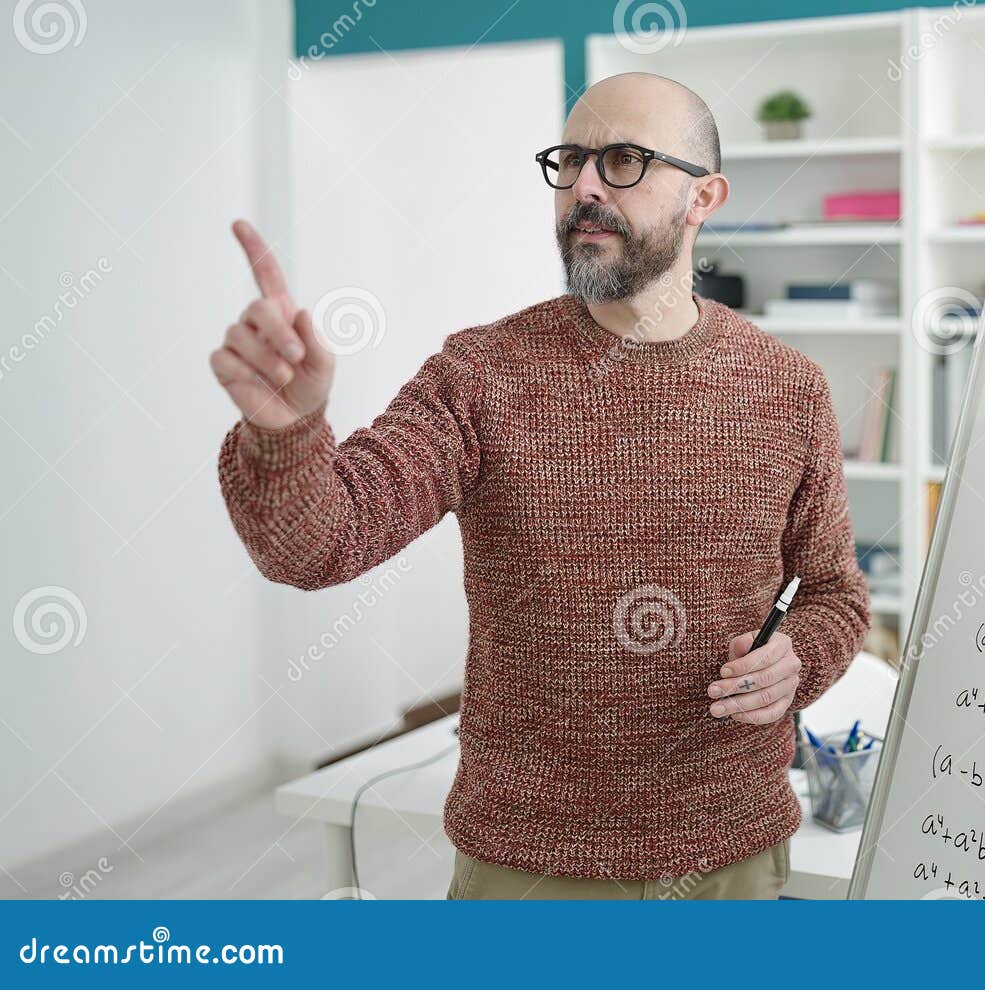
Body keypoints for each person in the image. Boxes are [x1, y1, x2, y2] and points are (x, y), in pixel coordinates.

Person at [210, 72, 871, 899]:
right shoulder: (479, 375)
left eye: (624, 160)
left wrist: (797, 659)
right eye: (571, 161)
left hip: (726, 856)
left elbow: (838, 595)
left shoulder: (789, 386)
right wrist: (285, 432)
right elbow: (320, 543)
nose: (585, 187)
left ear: (704, 199)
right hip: (526, 869)